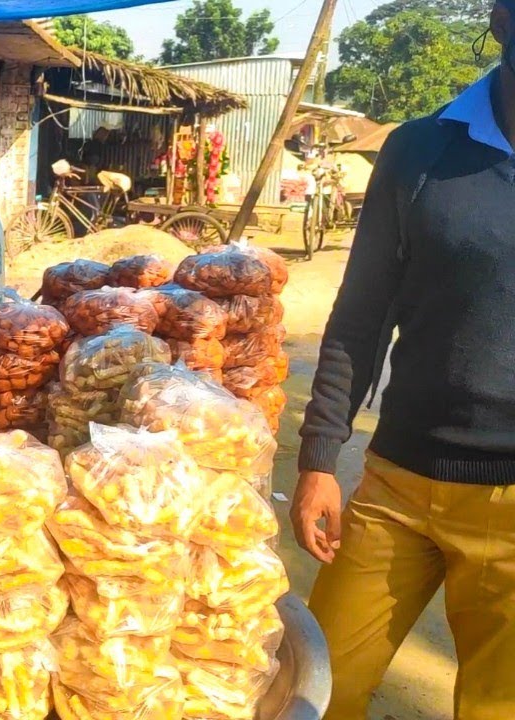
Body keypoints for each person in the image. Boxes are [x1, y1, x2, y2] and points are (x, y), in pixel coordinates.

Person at [293, 2, 515, 717]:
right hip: (398, 488)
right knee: (314, 687)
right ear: (498, 18)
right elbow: (362, 313)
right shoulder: (422, 150)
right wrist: (320, 456)